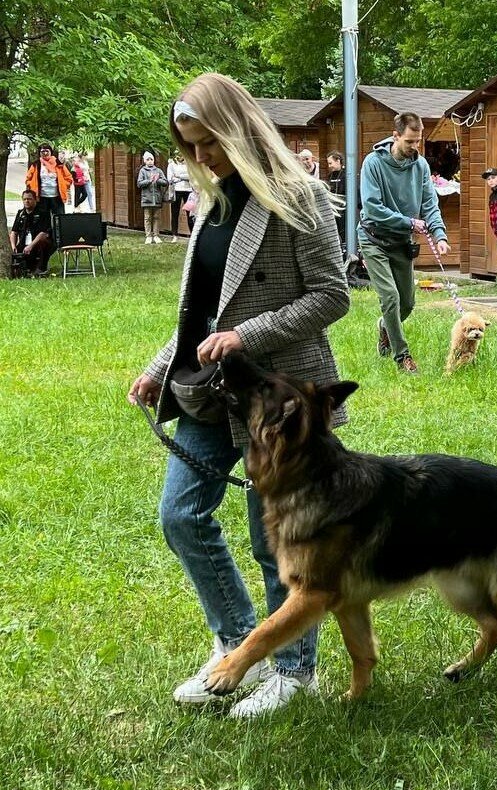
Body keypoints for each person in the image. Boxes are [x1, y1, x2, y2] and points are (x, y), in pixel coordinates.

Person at [127, 72, 349, 718]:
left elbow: (332, 295)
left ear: (237, 128)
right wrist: (158, 366)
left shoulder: (299, 197)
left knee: (271, 540)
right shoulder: (211, 204)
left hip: (277, 403)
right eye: (190, 147)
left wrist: (245, 335)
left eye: (208, 143)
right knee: (180, 516)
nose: (201, 158)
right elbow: (201, 311)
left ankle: (292, 670)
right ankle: (233, 649)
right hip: (209, 396)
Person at [357, 111, 449, 374]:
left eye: (418, 141)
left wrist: (440, 234)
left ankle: (386, 328)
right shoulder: (373, 163)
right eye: (409, 141)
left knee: (407, 302)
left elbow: (429, 204)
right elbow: (373, 208)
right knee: (390, 297)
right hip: (373, 238)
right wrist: (409, 222)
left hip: (401, 241)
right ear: (395, 136)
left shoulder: (420, 166)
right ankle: (402, 357)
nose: (414, 147)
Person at [9, 189, 52, 276]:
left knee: (43, 242)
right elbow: (14, 232)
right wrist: (13, 246)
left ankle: (41, 268)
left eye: (29, 199)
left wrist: (30, 246)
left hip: (37, 243)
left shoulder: (43, 213)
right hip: (23, 243)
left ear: (35, 199)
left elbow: (43, 233)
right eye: (24, 199)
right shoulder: (21, 213)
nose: (26, 201)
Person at [24, 143, 72, 219]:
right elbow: (28, 179)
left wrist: (64, 186)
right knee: (42, 220)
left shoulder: (59, 164)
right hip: (41, 197)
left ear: (51, 152)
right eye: (43, 151)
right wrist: (32, 186)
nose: (45, 153)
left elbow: (68, 178)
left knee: (59, 219)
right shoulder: (36, 165)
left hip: (57, 197)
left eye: (47, 151)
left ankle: (57, 231)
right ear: (39, 153)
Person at [136, 151, 168, 245]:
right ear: (145, 161)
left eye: (151, 159)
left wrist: (158, 180)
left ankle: (156, 235)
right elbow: (139, 183)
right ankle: (148, 236)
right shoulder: (142, 171)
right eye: (148, 159)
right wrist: (149, 181)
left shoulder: (158, 170)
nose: (150, 161)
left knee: (156, 217)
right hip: (147, 199)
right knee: (147, 218)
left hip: (157, 198)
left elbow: (165, 182)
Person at [167, 152, 193, 242]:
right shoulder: (171, 164)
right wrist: (183, 178)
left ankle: (192, 235)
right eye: (177, 154)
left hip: (189, 191)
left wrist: (179, 176)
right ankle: (174, 235)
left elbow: (191, 176)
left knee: (190, 214)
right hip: (176, 190)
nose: (180, 156)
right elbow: (170, 178)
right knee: (175, 213)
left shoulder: (189, 163)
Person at [326, 151, 346, 249]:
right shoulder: (330, 176)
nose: (329, 166)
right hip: (333, 210)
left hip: (344, 212)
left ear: (338, 161)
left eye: (331, 163)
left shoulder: (346, 175)